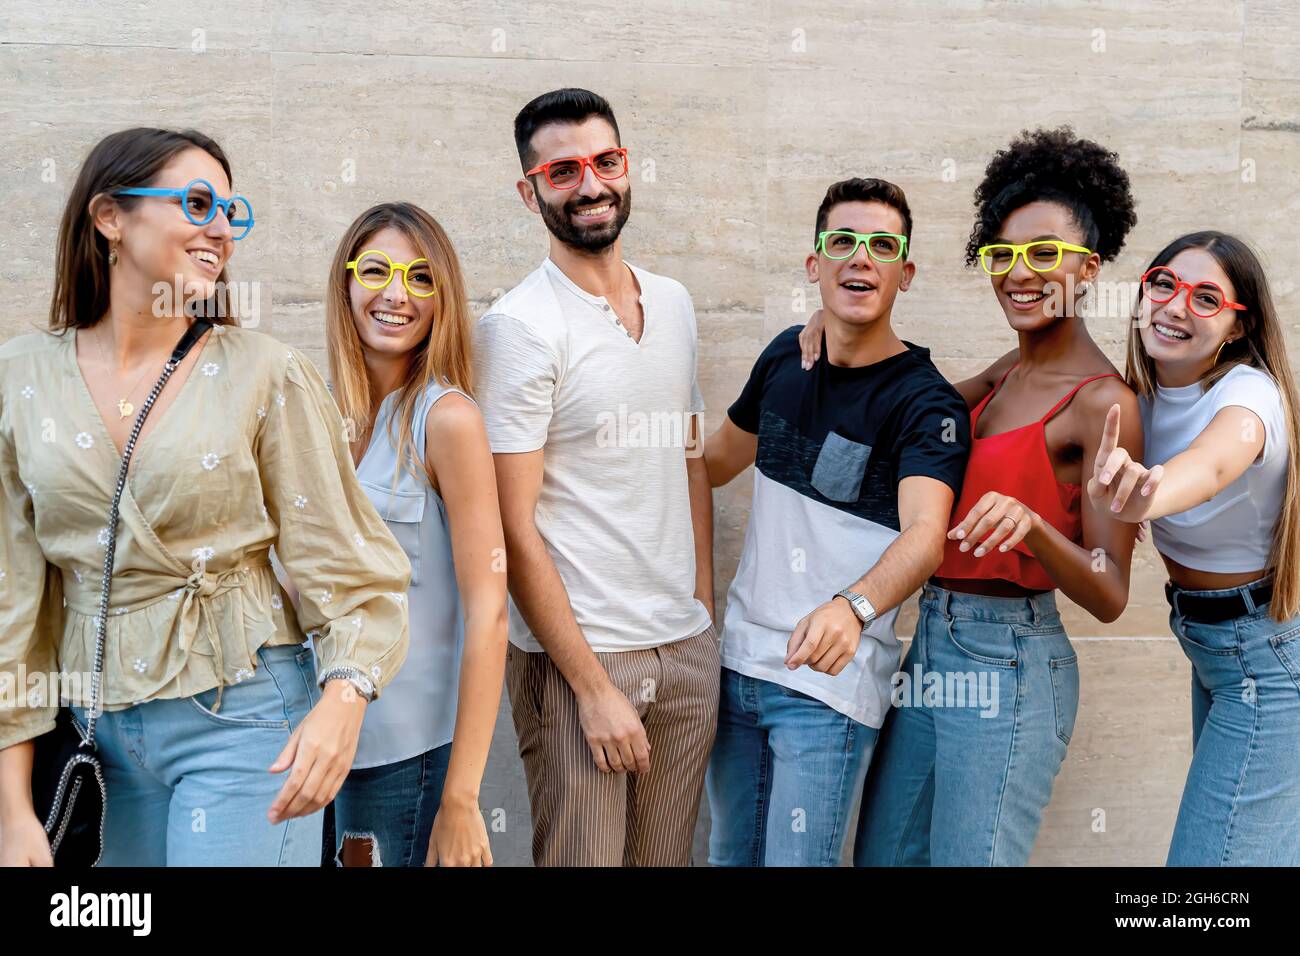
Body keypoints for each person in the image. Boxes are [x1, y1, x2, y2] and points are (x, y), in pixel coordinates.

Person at [0, 128, 411, 867]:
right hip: (95, 737)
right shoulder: (20, 377)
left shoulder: (264, 372)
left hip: (245, 719)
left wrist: (344, 699)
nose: (220, 228)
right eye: (196, 203)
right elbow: (13, 603)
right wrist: (11, 809)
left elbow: (350, 568)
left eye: (230, 210)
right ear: (109, 217)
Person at [803, 127, 1142, 865]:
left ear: (1087, 268)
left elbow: (1112, 593)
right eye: (1003, 255)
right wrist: (837, 323)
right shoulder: (1007, 374)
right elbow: (901, 404)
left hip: (1011, 660)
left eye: (1044, 254)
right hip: (932, 641)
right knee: (883, 857)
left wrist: (1032, 528)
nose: (1021, 274)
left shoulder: (1102, 403)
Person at [472, 88, 717, 866]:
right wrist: (592, 688)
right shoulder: (517, 328)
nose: (590, 186)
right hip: (581, 661)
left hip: (682, 650)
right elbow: (512, 527)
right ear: (531, 189)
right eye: (563, 170)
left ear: (626, 165)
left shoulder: (674, 304)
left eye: (605, 161)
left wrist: (701, 614)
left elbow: (688, 460)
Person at [702, 178, 970, 866]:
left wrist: (852, 608)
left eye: (882, 245)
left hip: (827, 691)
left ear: (904, 273)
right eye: (842, 241)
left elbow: (925, 536)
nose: (861, 257)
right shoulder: (786, 358)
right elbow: (707, 465)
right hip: (737, 671)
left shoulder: (926, 404)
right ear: (814, 264)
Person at [1087, 231, 1300, 866]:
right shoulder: (1137, 395)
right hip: (1216, 652)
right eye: (1164, 284)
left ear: (1239, 326)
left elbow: (1208, 468)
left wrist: (1143, 498)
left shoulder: (1248, 398)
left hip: (1266, 663)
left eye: (1206, 297)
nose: (1176, 307)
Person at [319, 202, 508, 867]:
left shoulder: (448, 419)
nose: (397, 293)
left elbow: (489, 612)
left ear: (441, 298)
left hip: (405, 756)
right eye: (376, 270)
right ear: (345, 283)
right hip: (313, 743)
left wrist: (461, 797)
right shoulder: (322, 418)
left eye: (421, 277)